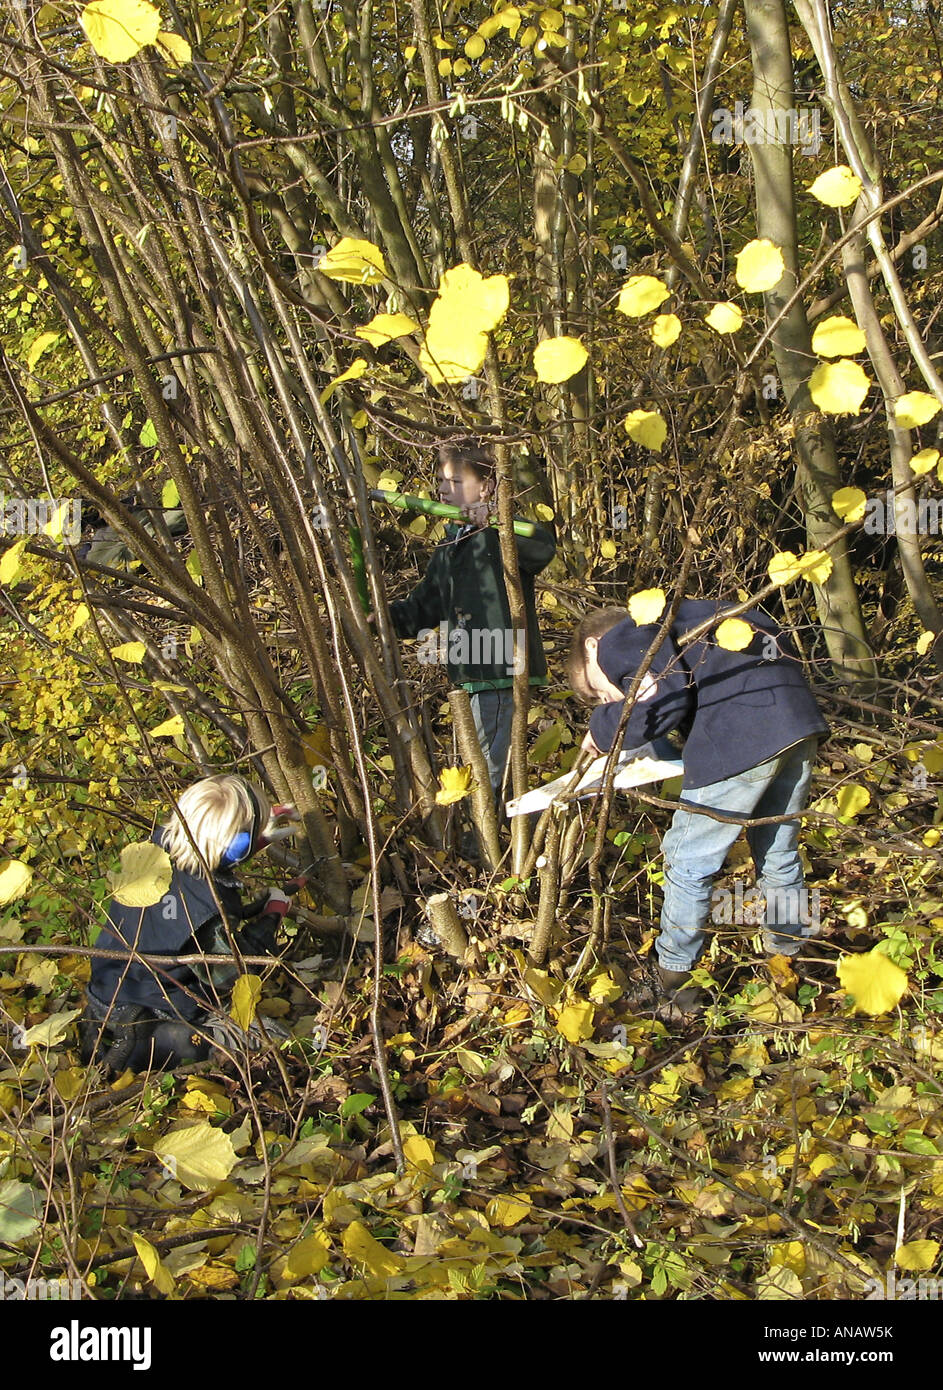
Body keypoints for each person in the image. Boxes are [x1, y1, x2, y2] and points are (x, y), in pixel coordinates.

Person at [568, 600, 828, 1015]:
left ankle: (674, 983)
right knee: (778, 852)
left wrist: (604, 729)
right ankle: (790, 960)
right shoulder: (689, 618)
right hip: (796, 726)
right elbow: (679, 695)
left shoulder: (623, 637)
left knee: (688, 861)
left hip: (742, 737)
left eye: (599, 690)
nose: (609, 697)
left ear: (593, 646)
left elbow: (659, 700)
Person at [388, 439, 556, 844]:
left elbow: (542, 546)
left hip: (500, 669)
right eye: (441, 481)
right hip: (470, 674)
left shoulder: (504, 533)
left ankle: (480, 849)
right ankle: (514, 844)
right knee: (488, 766)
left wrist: (494, 521)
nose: (444, 489)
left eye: (456, 480)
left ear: (485, 486)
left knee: (484, 771)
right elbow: (423, 607)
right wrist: (381, 616)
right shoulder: (450, 545)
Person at [79, 775, 298, 1074]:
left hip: (104, 1000)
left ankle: (102, 1038)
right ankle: (139, 1055)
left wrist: (256, 833)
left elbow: (209, 849)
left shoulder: (154, 849)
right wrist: (273, 915)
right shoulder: (203, 909)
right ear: (237, 846)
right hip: (157, 1024)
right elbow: (233, 972)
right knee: (275, 1041)